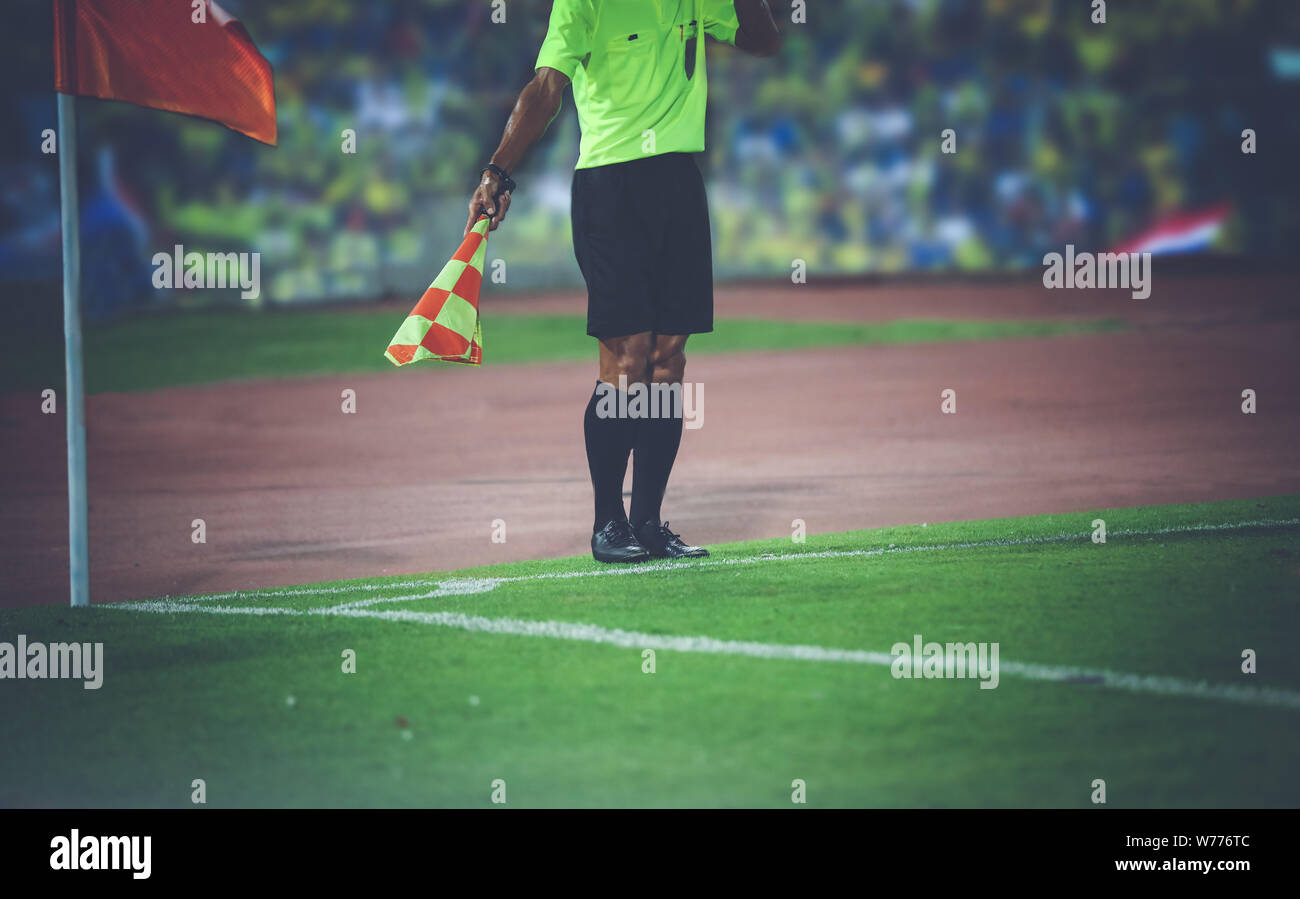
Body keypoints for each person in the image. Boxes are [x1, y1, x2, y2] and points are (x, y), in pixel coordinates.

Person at [466, 1, 781, 563]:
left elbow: (763, 39)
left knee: (668, 359)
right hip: (610, 186)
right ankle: (608, 523)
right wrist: (498, 170)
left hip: (679, 184)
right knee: (627, 357)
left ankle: (649, 524)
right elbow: (546, 88)